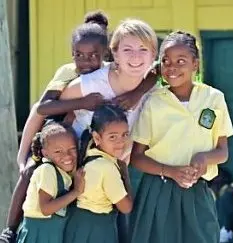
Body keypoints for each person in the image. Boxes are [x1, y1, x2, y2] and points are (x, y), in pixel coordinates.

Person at [37, 18, 159, 243]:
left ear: (153, 55)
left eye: (143, 50)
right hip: (76, 169)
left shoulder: (154, 88)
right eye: (127, 49)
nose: (135, 56)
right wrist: (23, 154)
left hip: (120, 167)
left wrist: (138, 92)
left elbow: (159, 71)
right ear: (114, 53)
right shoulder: (90, 84)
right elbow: (44, 110)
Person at [0, 12, 109, 243]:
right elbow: (42, 109)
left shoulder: (111, 74)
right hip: (58, 130)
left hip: (90, 139)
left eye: (93, 55)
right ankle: (10, 229)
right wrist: (82, 103)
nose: (86, 61)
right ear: (72, 53)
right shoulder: (68, 72)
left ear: (105, 53)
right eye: (79, 55)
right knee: (31, 170)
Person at [129, 31, 233, 243]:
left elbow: (222, 152)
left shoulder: (213, 98)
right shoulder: (153, 101)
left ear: (195, 64)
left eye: (181, 61)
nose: (172, 67)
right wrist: (171, 172)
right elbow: (136, 157)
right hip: (159, 191)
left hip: (198, 191)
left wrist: (204, 158)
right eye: (166, 61)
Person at [64, 104, 132, 243]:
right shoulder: (107, 168)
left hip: (78, 226)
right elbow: (126, 207)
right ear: (97, 137)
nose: (121, 142)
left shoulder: (88, 154)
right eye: (112, 137)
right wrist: (125, 176)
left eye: (125, 135)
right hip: (98, 229)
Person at [15, 121, 85, 243]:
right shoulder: (47, 170)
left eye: (72, 149)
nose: (67, 155)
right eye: (58, 151)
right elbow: (46, 208)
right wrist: (76, 191)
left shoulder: (63, 173)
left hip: (51, 233)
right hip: (38, 233)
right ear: (45, 153)